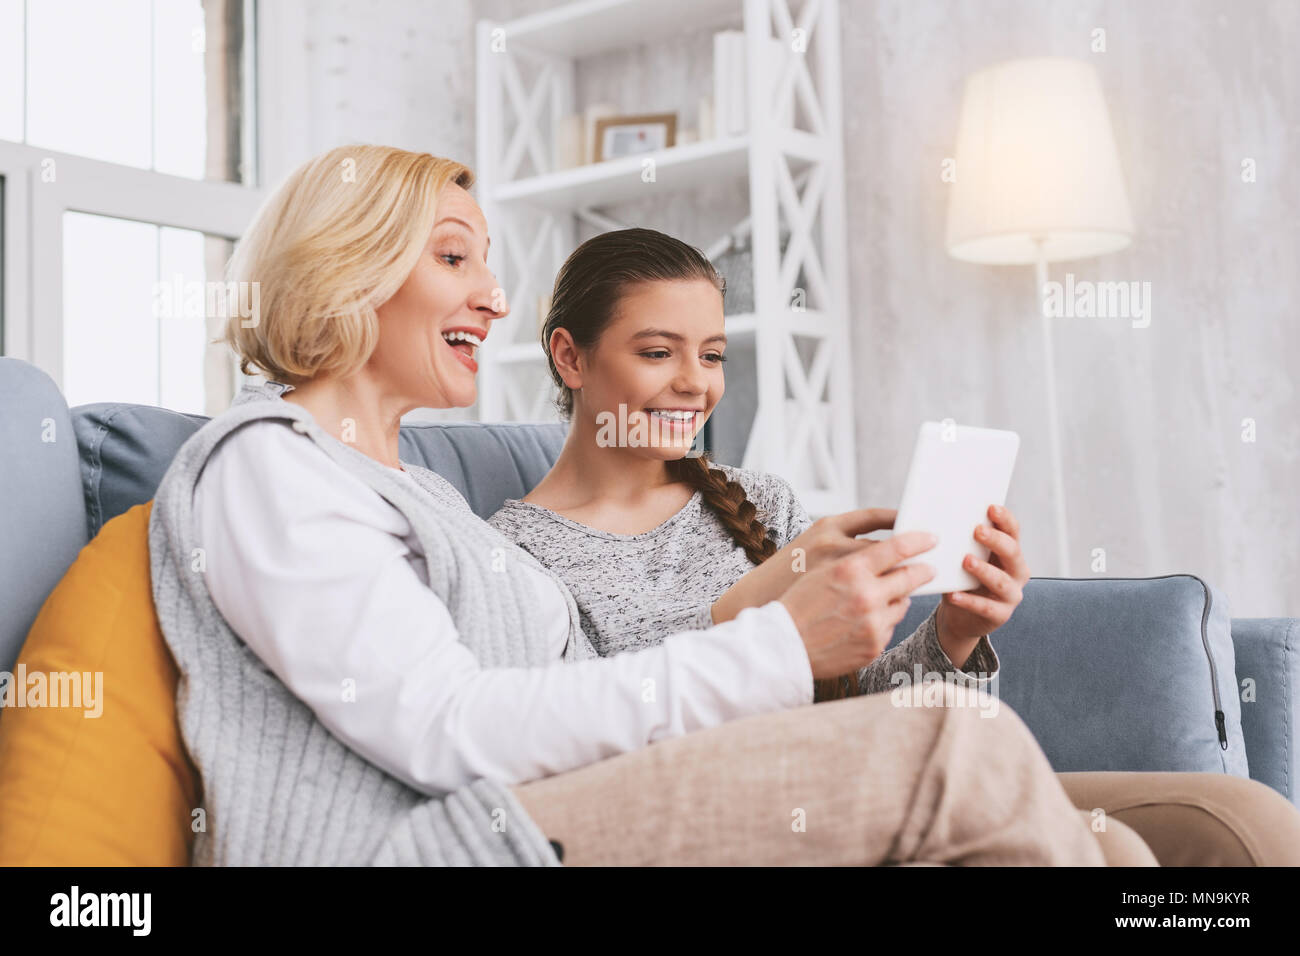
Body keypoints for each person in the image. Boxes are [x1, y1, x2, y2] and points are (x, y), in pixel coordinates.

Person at [143, 145, 1169, 866]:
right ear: (341, 268)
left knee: (1124, 843)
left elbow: (575, 701)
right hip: (443, 843)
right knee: (959, 745)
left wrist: (909, 630)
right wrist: (766, 634)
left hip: (536, 807)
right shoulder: (268, 468)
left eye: (487, 264)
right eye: (455, 257)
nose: (495, 297)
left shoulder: (419, 492)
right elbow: (443, 724)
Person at [489, 226, 1300, 867]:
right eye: (658, 352)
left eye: (712, 355)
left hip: (877, 771)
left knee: (1248, 825)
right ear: (570, 355)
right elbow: (578, 771)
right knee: (1115, 851)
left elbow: (865, 711)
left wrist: (955, 632)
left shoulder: (756, 501)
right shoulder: (515, 555)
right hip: (741, 813)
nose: (696, 383)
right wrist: (742, 618)